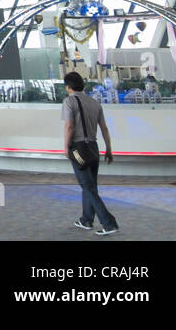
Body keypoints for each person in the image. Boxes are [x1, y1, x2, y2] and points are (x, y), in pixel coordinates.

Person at [63, 72, 119, 235]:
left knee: (87, 187)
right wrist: (108, 149)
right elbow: (104, 128)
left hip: (79, 149)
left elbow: (69, 127)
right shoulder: (94, 102)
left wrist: (66, 147)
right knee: (90, 186)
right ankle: (86, 219)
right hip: (93, 148)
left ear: (68, 87)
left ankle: (109, 223)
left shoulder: (69, 101)